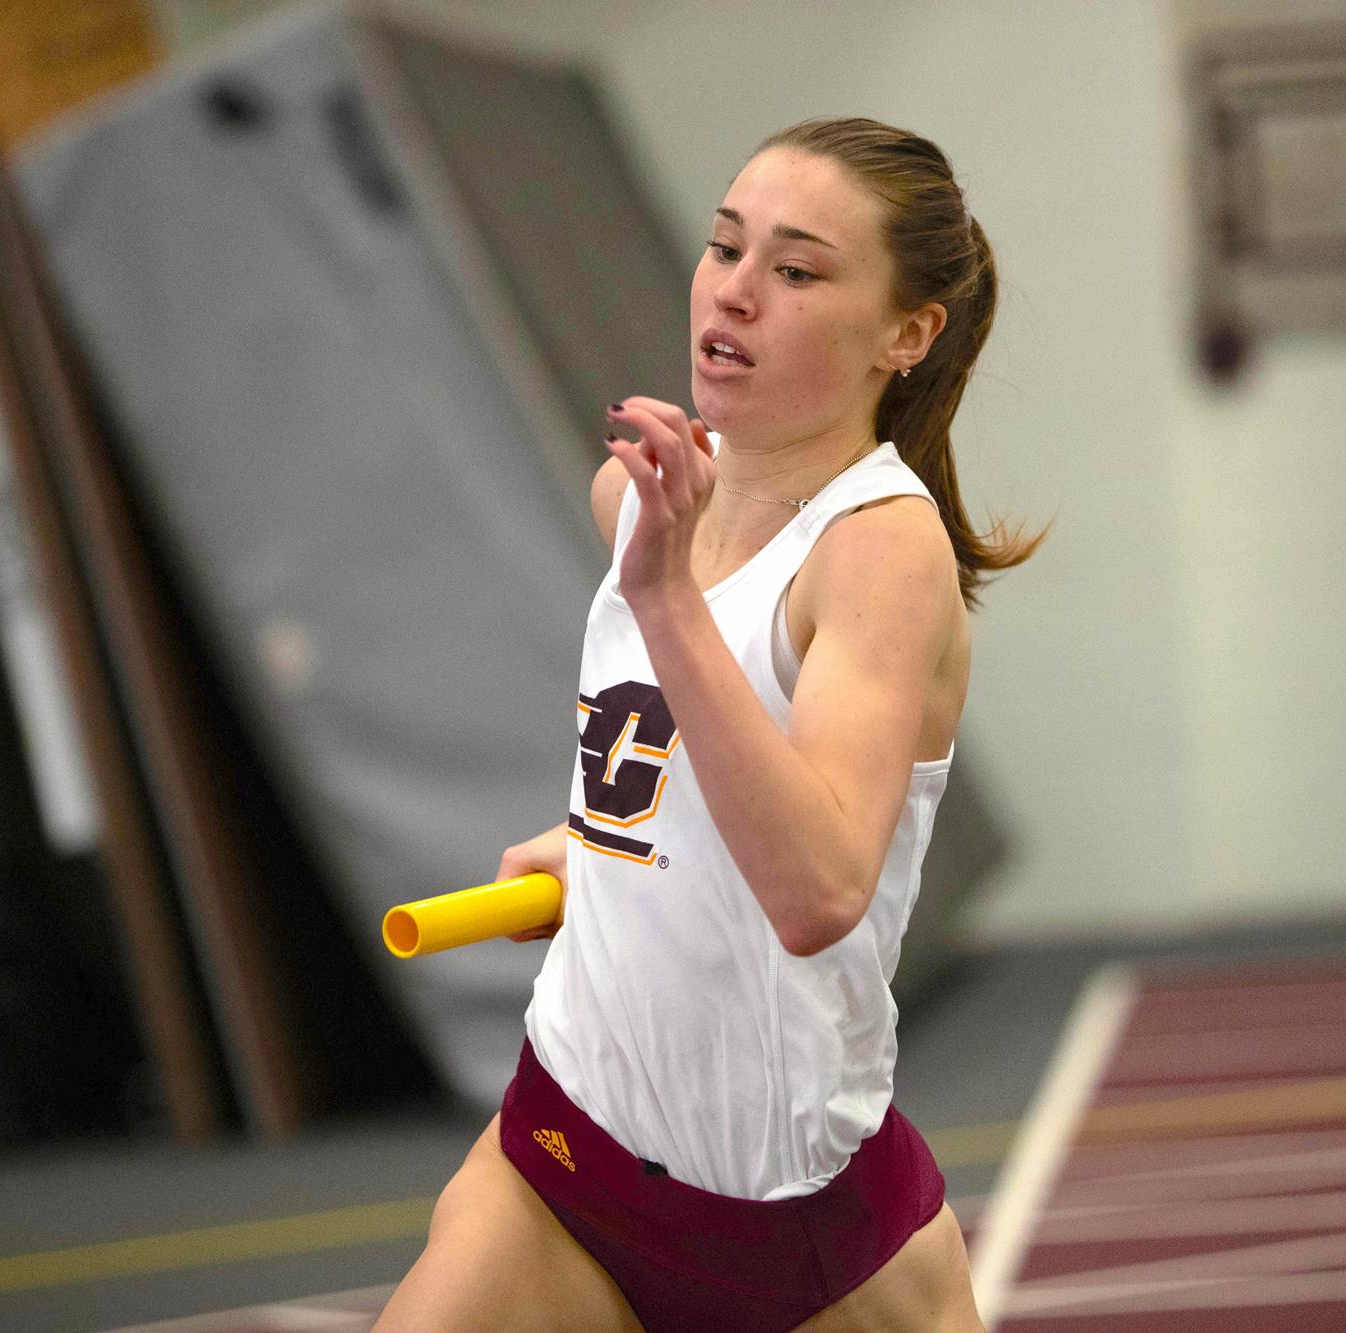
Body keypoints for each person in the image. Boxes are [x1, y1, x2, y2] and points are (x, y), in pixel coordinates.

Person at [375, 116, 1043, 1332]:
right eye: (723, 247)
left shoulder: (879, 550)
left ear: (906, 333)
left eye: (794, 270)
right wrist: (595, 841)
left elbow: (816, 888)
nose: (733, 291)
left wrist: (666, 595)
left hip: (799, 1239)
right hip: (565, 1160)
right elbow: (702, 768)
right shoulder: (639, 501)